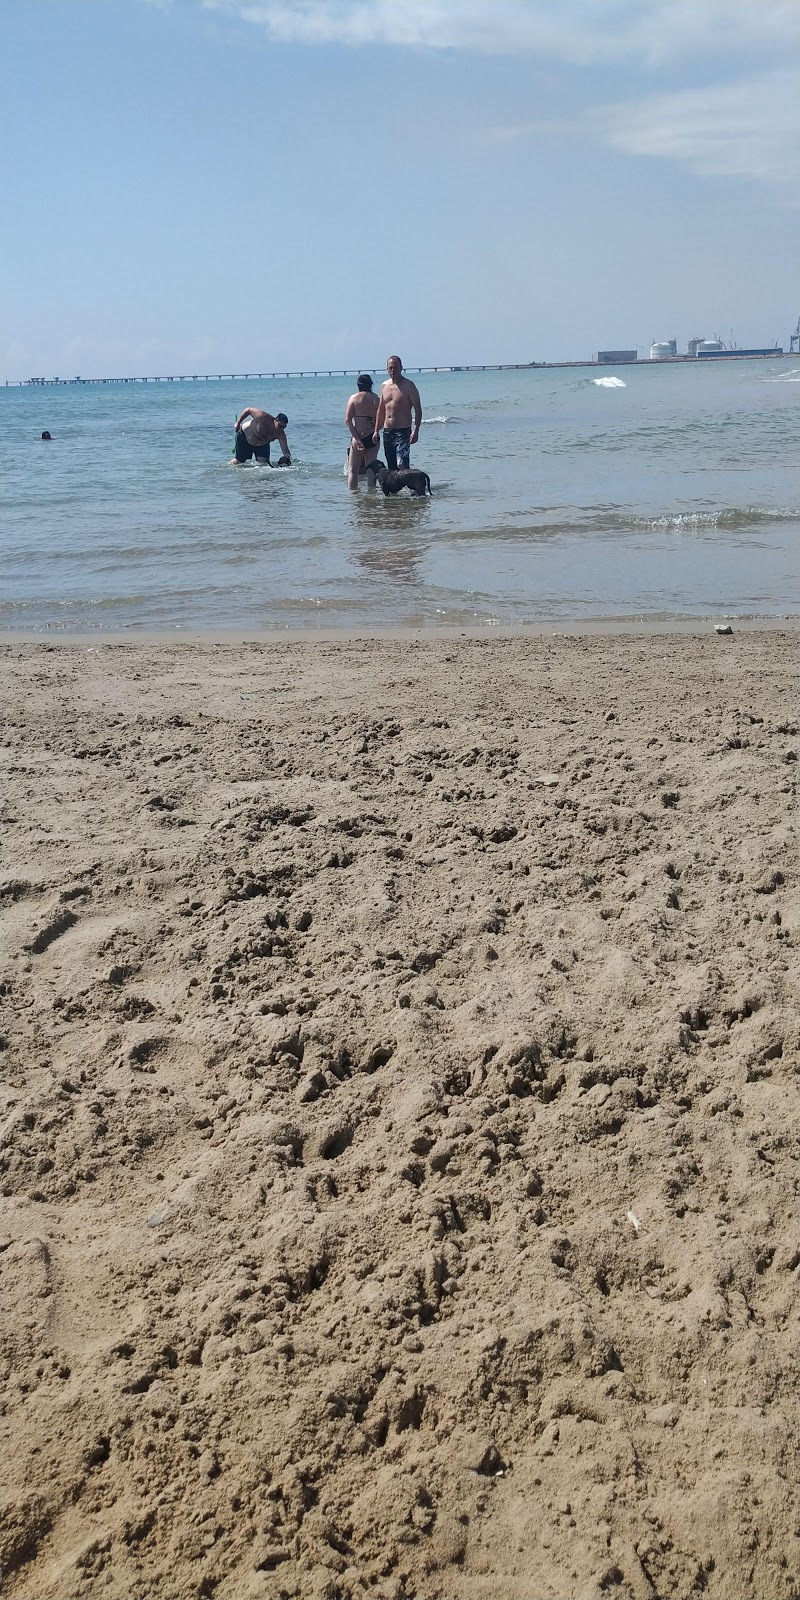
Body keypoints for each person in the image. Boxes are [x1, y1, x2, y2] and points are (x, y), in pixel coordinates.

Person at [374, 355, 422, 470]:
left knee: (402, 464)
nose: (393, 370)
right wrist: (376, 430)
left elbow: (418, 408)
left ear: (401, 367)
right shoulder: (384, 386)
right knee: (391, 466)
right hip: (387, 431)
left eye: (395, 367)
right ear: (387, 369)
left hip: (403, 431)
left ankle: (410, 487)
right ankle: (398, 488)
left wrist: (416, 430)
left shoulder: (408, 385)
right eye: (390, 368)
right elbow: (381, 409)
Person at [345, 375, 380, 491]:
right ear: (371, 385)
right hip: (373, 436)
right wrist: (373, 431)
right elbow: (382, 420)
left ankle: (353, 497)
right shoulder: (377, 399)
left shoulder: (354, 399)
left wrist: (358, 440)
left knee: (353, 471)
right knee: (371, 469)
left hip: (358, 436)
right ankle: (372, 496)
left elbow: (348, 421)